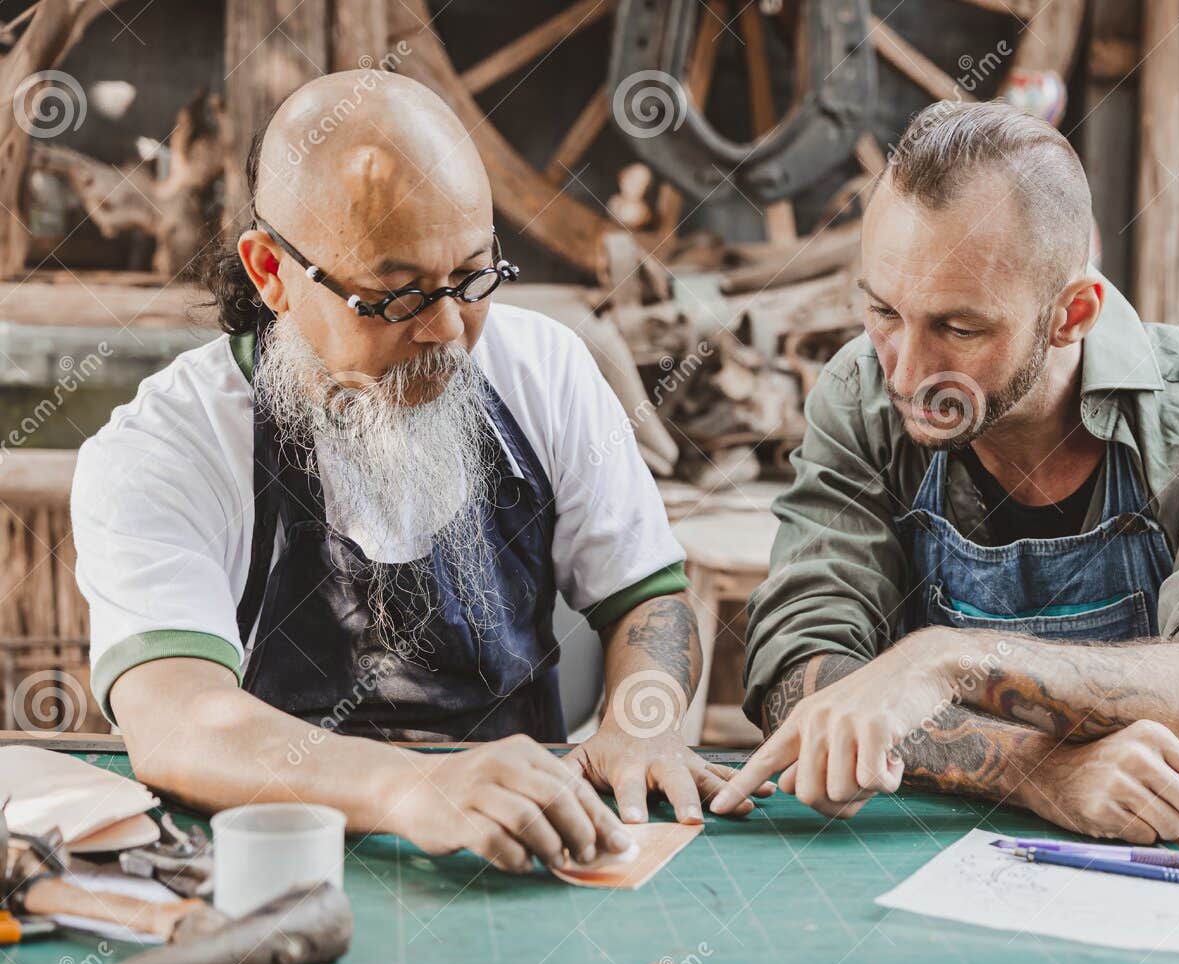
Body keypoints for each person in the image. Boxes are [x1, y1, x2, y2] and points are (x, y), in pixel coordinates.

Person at [71, 70, 765, 875]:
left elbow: (647, 595)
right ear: (271, 273)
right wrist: (412, 788)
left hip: (529, 849)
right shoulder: (167, 446)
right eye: (396, 296)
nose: (447, 330)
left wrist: (641, 724)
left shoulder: (545, 369)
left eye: (472, 277)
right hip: (284, 862)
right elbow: (178, 721)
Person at [712, 102, 1179, 843]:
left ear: (1073, 314)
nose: (906, 373)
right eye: (884, 312)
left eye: (959, 328)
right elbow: (798, 675)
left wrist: (950, 661)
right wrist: (1037, 772)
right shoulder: (858, 392)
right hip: (919, 854)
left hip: (1174, 852)